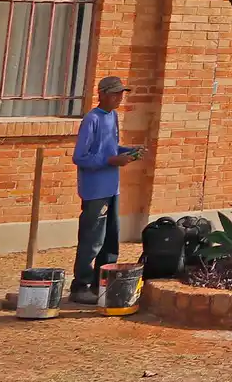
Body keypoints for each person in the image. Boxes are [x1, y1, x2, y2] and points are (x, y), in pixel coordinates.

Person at [71, 75, 144, 304]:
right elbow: (80, 157)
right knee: (92, 239)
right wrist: (112, 161)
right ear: (101, 94)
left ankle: (101, 283)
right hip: (95, 190)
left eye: (120, 94)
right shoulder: (92, 119)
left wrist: (129, 152)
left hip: (112, 188)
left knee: (110, 239)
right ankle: (80, 285)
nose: (118, 98)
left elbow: (110, 149)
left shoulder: (113, 117)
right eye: (114, 94)